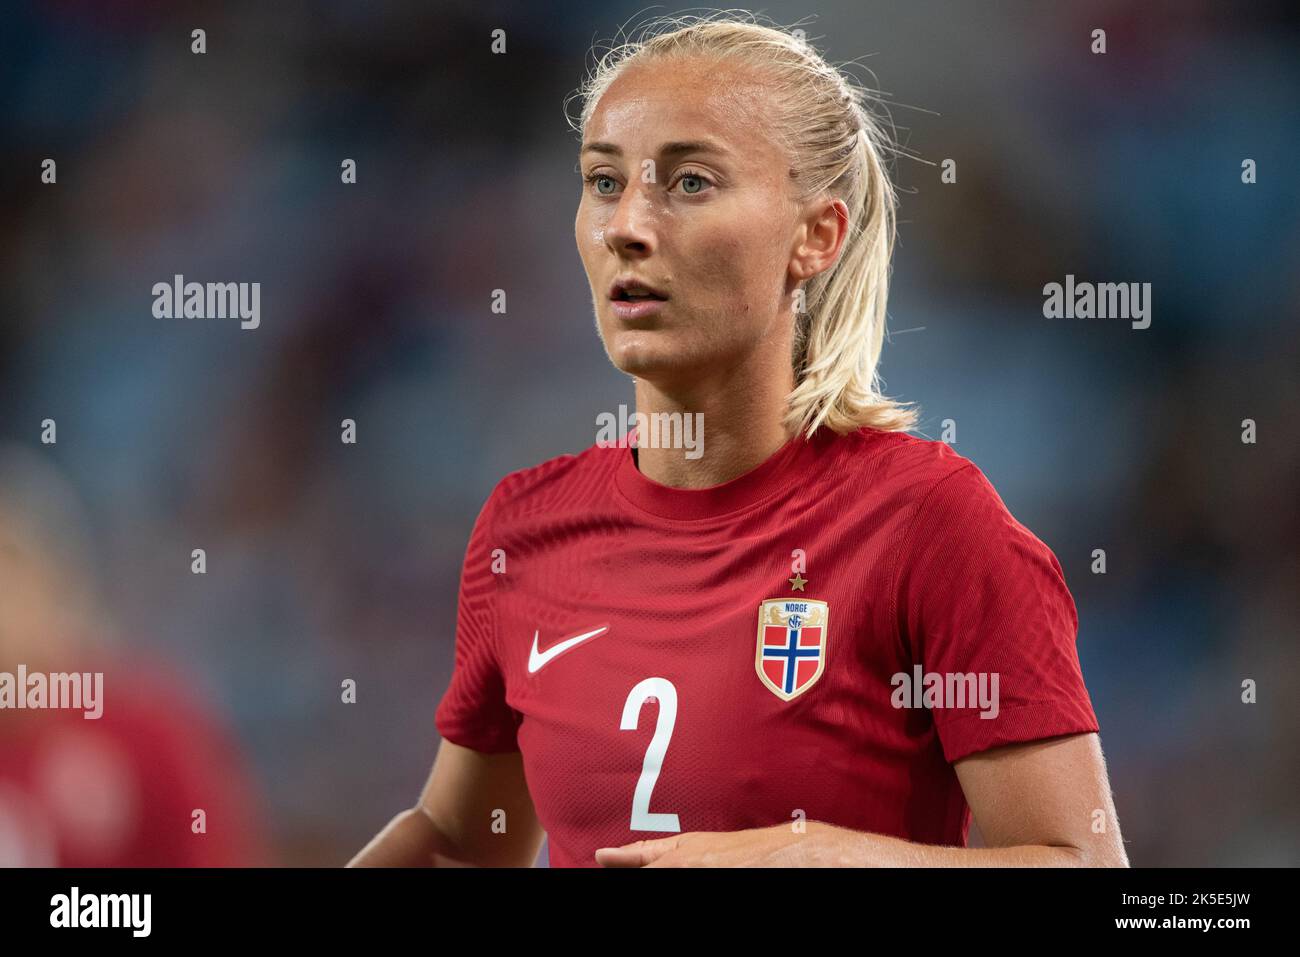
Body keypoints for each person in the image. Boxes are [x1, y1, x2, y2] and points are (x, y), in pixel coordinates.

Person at [350, 13, 1127, 868]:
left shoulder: (927, 522)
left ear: (816, 236)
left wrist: (827, 858)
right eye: (603, 182)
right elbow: (460, 844)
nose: (626, 227)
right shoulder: (525, 527)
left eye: (690, 182)